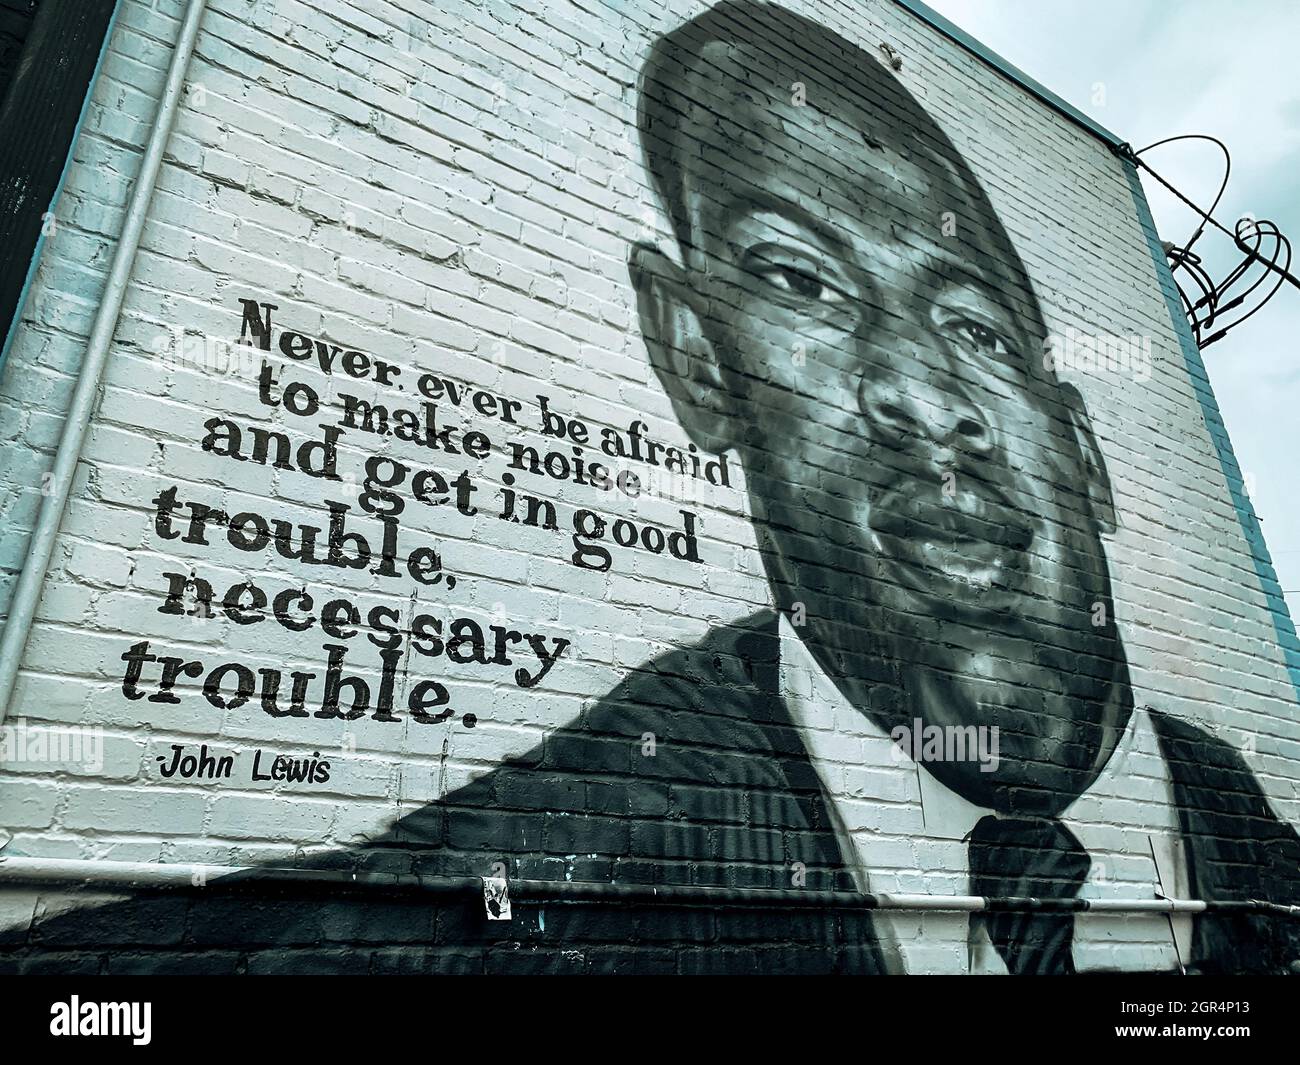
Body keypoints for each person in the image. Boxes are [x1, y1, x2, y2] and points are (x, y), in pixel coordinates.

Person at [3, 0, 1297, 974]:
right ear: (693, 355)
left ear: (1081, 445)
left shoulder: (1263, 847)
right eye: (801, 282)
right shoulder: (502, 873)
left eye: (977, 330)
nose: (923, 396)